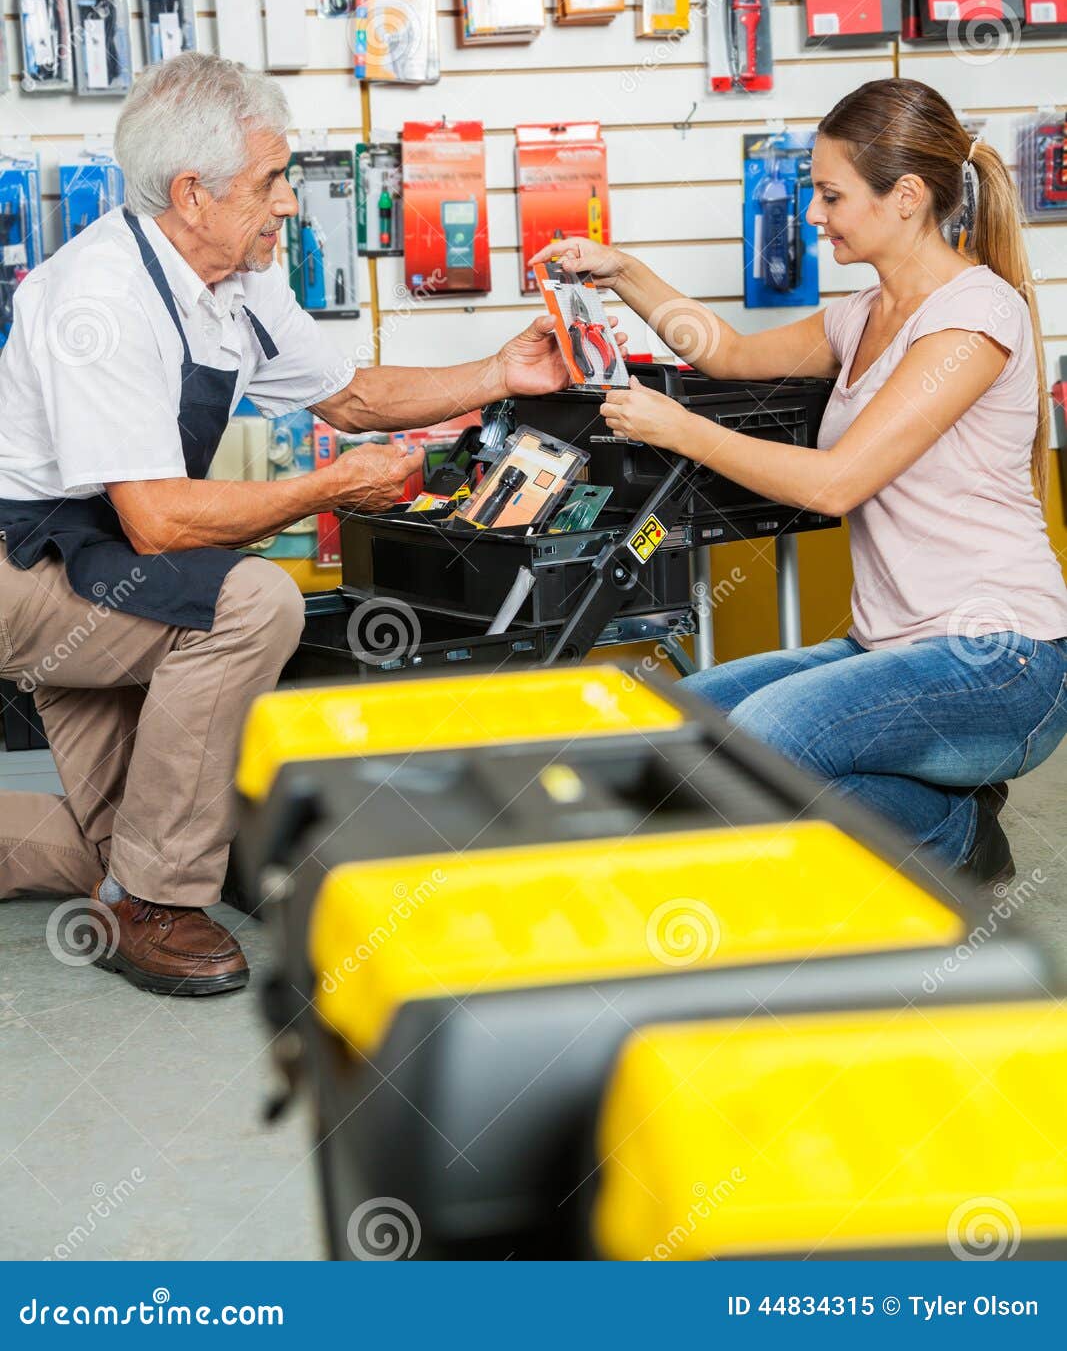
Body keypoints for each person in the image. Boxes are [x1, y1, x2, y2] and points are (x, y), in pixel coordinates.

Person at [0, 53, 580, 996]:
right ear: (193, 193)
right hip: (28, 565)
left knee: (105, 852)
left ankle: (131, 882)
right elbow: (155, 521)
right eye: (271, 180)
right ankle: (147, 906)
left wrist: (498, 374)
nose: (287, 204)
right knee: (255, 602)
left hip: (98, 558)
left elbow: (350, 398)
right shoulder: (99, 299)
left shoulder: (236, 275)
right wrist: (323, 493)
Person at [534, 77, 1067, 889]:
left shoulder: (972, 319)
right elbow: (724, 353)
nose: (812, 214)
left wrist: (680, 429)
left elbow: (836, 484)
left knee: (766, 738)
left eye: (829, 194)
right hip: (888, 645)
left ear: (907, 198)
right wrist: (623, 271)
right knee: (677, 721)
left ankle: (955, 835)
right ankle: (942, 799)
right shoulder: (860, 316)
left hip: (1001, 662)